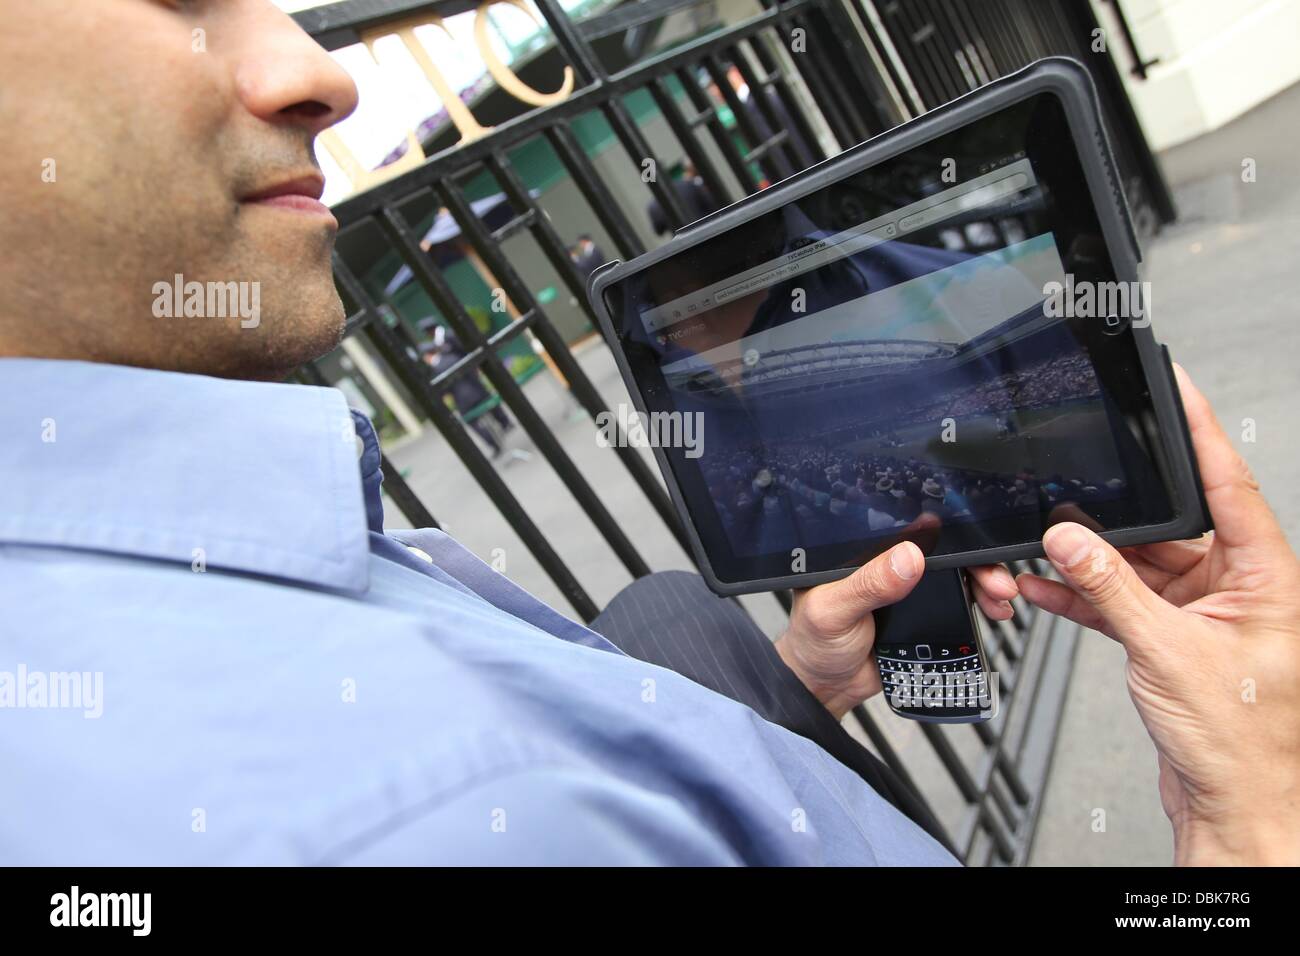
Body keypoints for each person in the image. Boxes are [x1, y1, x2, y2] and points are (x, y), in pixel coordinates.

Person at [0, 0, 1295, 867]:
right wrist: (1250, 834)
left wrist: (787, 697)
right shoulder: (438, 811)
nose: (318, 71)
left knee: (677, 613)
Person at [420, 325, 514, 458]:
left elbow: (445, 390)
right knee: (490, 402)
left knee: (470, 421)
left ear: (428, 356)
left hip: (464, 401)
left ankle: (493, 443)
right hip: (478, 391)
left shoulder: (437, 370)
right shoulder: (452, 357)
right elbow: (472, 372)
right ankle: (504, 422)